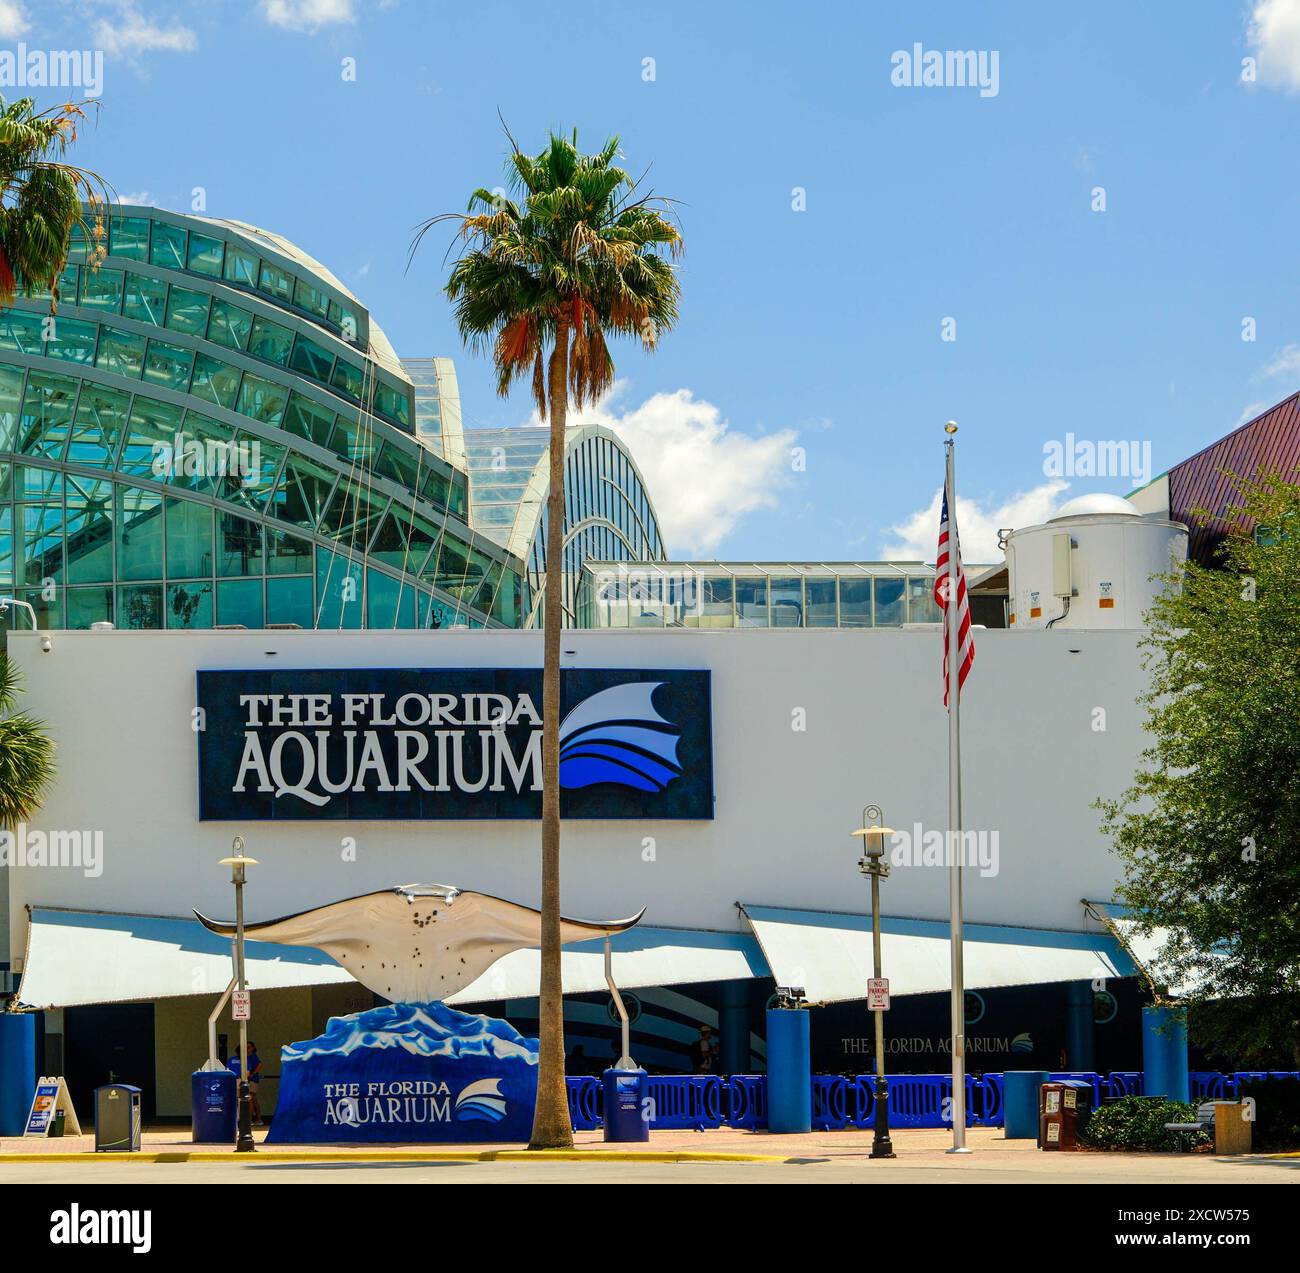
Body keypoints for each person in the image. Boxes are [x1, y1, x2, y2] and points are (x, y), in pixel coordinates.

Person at [228, 1041, 264, 1127]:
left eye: (249, 1047)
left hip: (251, 1080)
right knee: (251, 1099)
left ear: (253, 1048)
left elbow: (260, 1065)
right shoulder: (243, 1058)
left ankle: (252, 1119)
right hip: (246, 1079)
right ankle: (253, 1119)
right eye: (245, 1048)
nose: (247, 1050)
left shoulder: (252, 1056)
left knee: (251, 1099)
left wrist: (252, 1074)